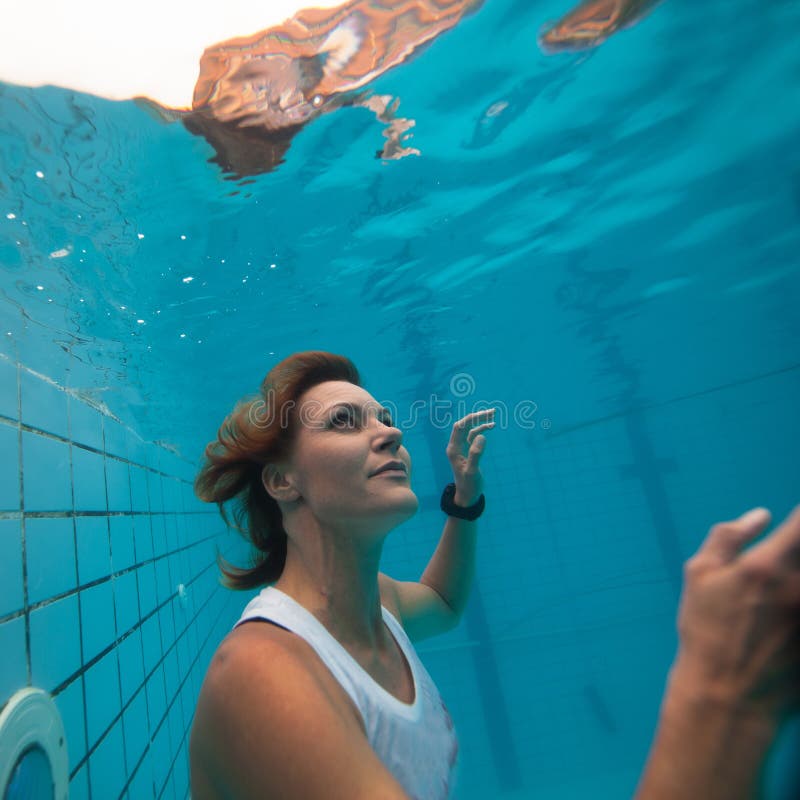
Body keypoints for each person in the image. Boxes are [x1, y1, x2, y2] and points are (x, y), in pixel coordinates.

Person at [188, 351, 800, 799]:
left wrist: (465, 497)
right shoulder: (264, 674)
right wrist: (722, 699)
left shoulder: (372, 605)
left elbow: (443, 600)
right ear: (281, 481)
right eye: (346, 422)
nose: (392, 432)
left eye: (383, 418)